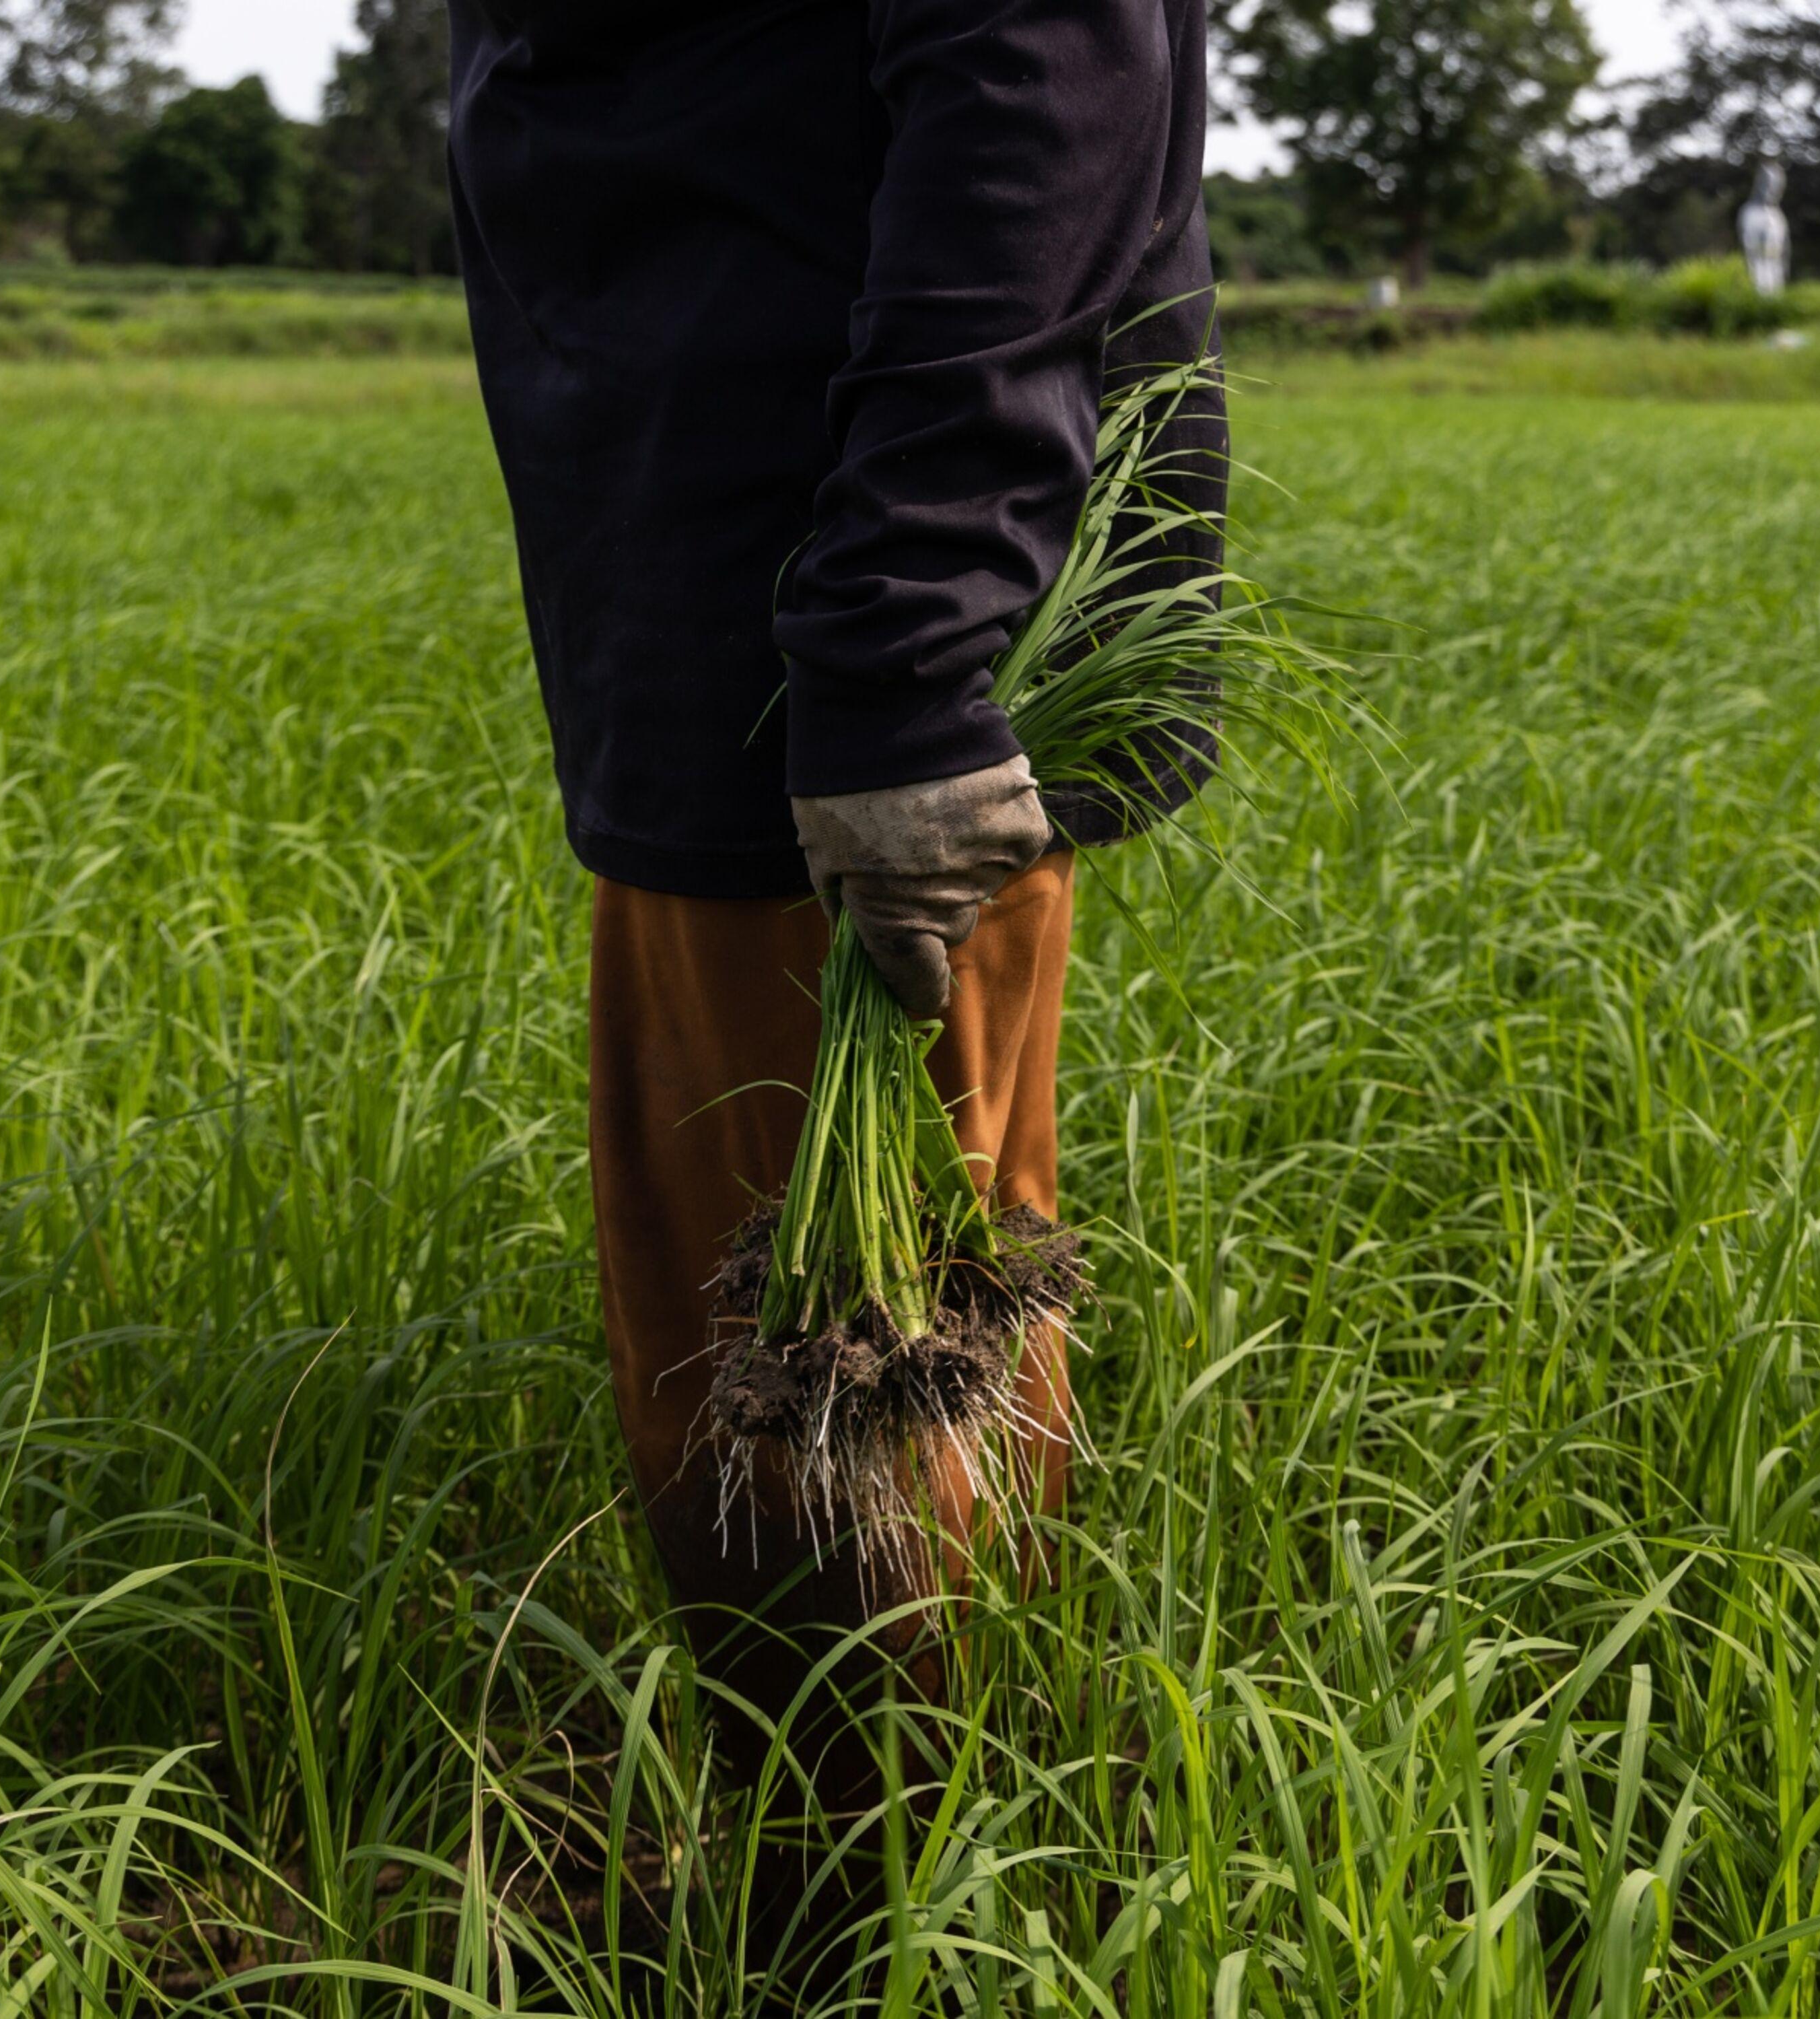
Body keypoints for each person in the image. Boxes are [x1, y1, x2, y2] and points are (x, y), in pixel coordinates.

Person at [446, 0, 1219, 1975]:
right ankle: (976, 1891)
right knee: (947, 1303)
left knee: (799, 1373)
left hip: (806, 648)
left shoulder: (861, 650)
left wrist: (897, 654)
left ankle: (839, 1944)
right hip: (807, 620)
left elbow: (1034, 81)